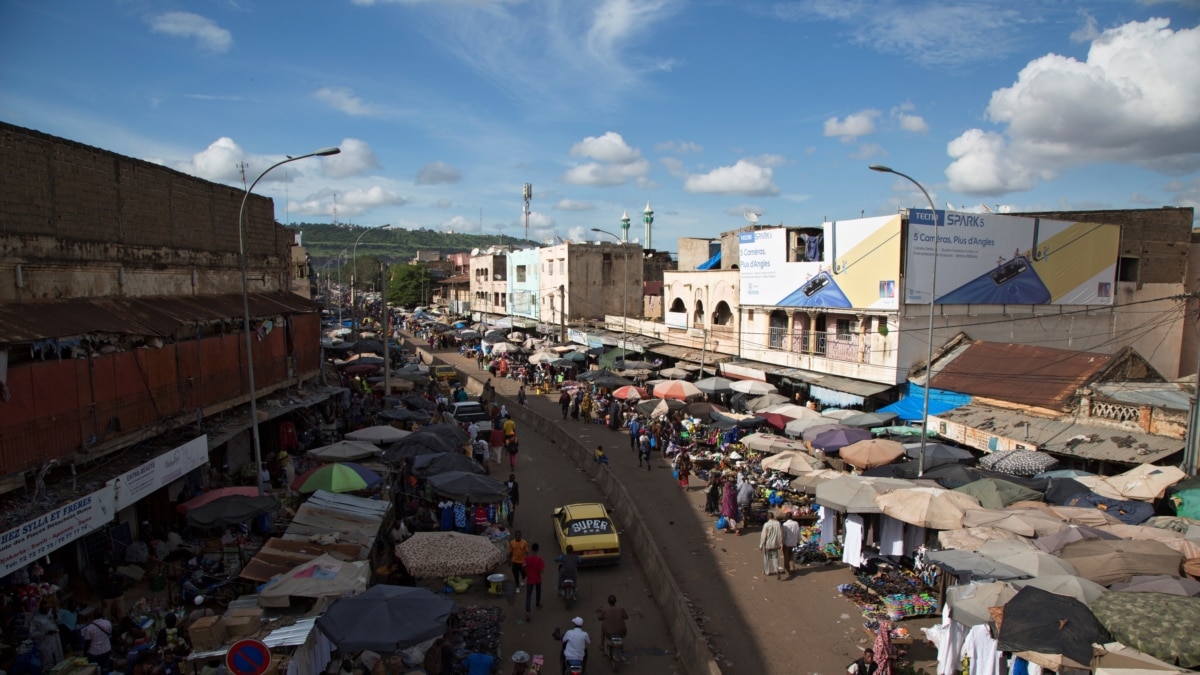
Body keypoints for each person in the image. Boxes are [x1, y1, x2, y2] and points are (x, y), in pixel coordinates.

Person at [30, 599, 64, 668]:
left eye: (48, 608)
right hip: (45, 643)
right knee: (48, 663)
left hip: (55, 641)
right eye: (45, 609)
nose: (47, 610)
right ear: (41, 609)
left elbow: (59, 623)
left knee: (59, 662)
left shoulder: (52, 614)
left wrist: (55, 615)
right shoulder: (36, 619)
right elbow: (32, 634)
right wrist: (46, 632)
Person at [523, 542, 546, 620]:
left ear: (531, 549)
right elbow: (542, 571)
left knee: (528, 596)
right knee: (538, 591)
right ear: (537, 550)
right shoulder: (539, 559)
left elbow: (524, 567)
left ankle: (527, 612)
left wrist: (527, 572)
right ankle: (537, 604)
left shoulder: (527, 559)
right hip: (537, 579)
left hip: (530, 579)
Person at [759, 511, 784, 580]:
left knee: (766, 558)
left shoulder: (766, 525)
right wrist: (781, 544)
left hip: (768, 544)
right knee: (775, 558)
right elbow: (780, 534)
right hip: (775, 544)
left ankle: (767, 571)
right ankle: (776, 570)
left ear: (768, 517)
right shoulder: (778, 523)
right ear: (773, 517)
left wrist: (761, 545)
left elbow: (763, 536)